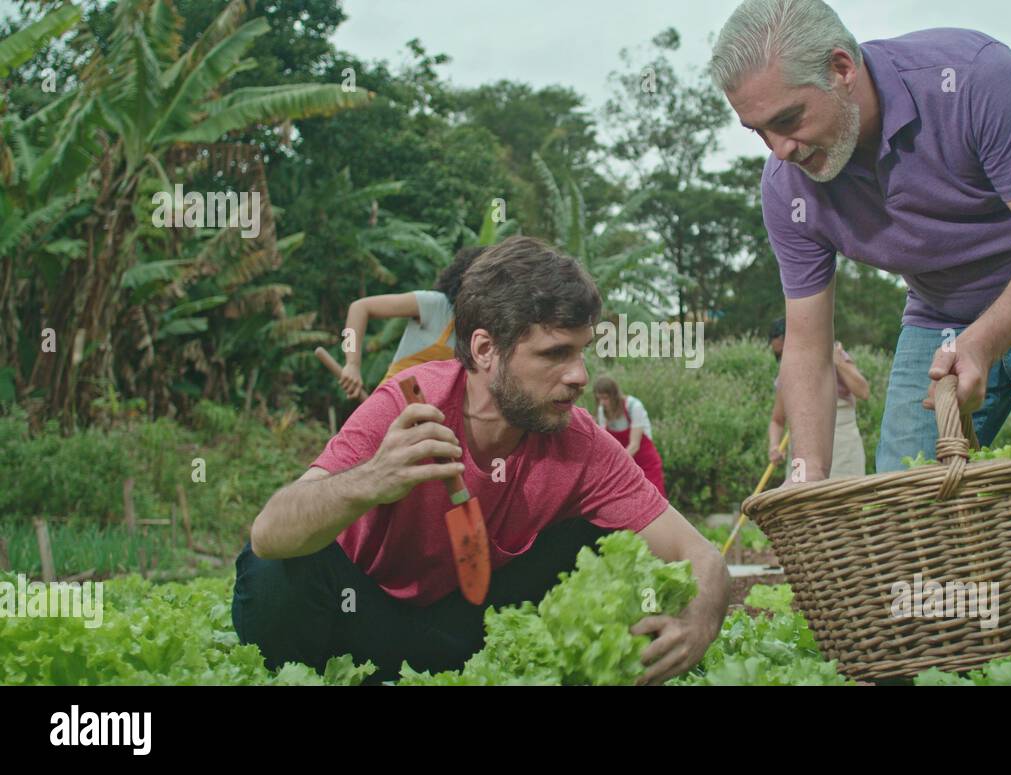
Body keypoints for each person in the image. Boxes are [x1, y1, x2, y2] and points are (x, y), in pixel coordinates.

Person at [235, 237, 728, 685]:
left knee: (602, 538)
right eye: (555, 353)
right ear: (486, 348)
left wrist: (697, 622)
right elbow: (268, 533)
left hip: (469, 636)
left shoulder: (581, 442)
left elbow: (702, 555)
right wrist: (371, 478)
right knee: (274, 569)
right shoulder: (406, 405)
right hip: (363, 621)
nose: (579, 375)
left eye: (581, 351)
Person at [710, 0, 1011, 477]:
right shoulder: (787, 187)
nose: (780, 150)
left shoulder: (974, 77)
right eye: (759, 132)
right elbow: (808, 346)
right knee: (908, 492)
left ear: (841, 69)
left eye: (789, 119)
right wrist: (805, 474)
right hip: (943, 313)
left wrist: (980, 344)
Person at [336, 245, 486, 400]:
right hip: (391, 403)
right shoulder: (436, 305)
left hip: (432, 420)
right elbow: (358, 308)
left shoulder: (485, 338)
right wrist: (352, 364)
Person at [767, 317, 869, 480]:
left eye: (784, 351)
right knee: (802, 501)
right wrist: (774, 446)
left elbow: (863, 391)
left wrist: (837, 361)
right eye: (779, 355)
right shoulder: (785, 376)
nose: (783, 359)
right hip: (802, 451)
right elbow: (777, 420)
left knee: (844, 499)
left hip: (843, 446)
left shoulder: (834, 352)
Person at [594, 376, 667, 497]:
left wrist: (614, 466)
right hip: (625, 468)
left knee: (655, 499)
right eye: (599, 398)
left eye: (605, 398)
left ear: (614, 395)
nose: (602, 403)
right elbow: (605, 444)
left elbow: (634, 445)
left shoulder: (633, 406)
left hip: (645, 462)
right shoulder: (603, 411)